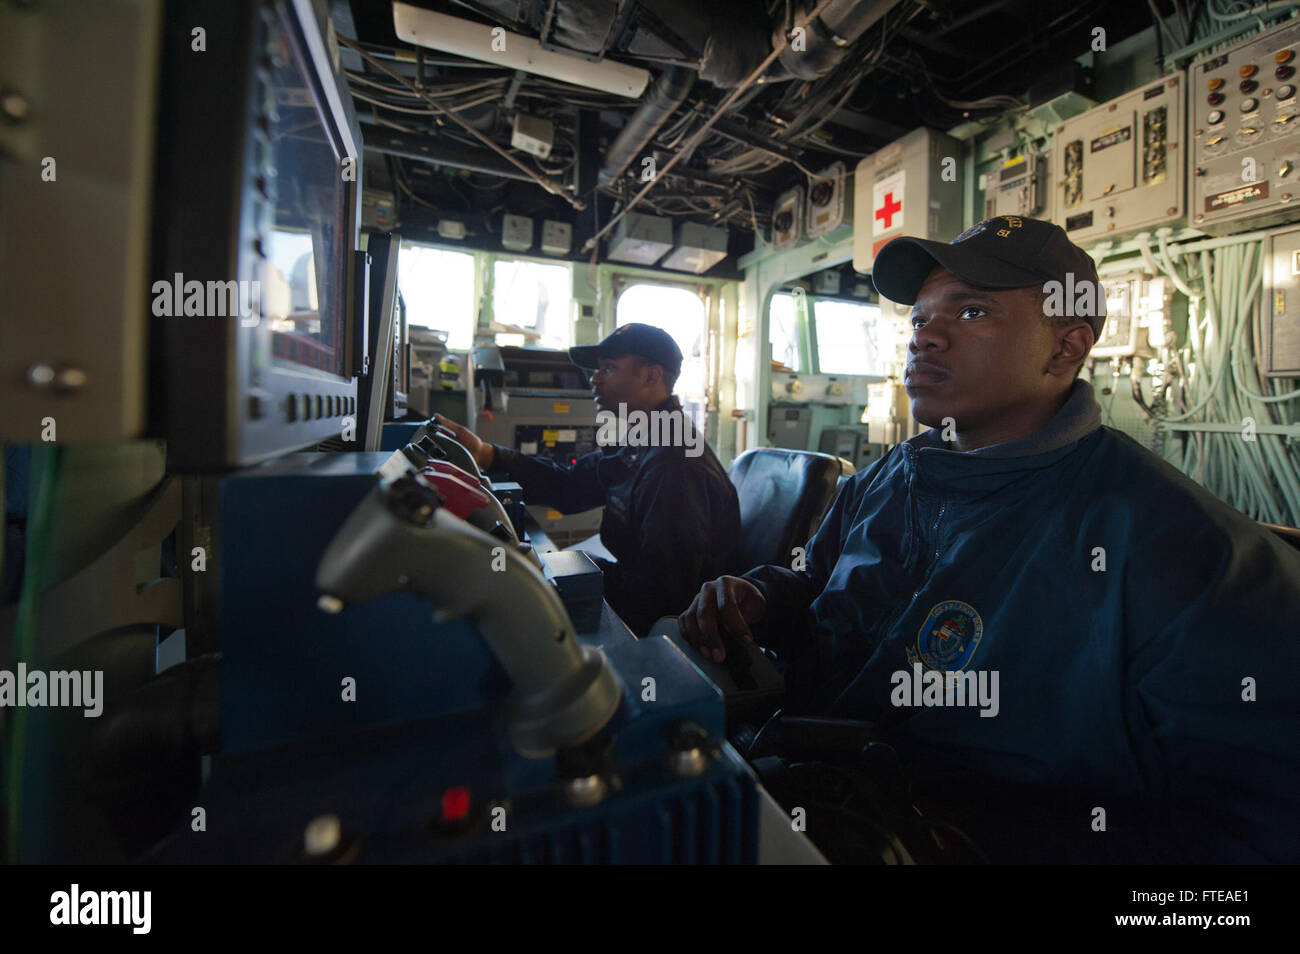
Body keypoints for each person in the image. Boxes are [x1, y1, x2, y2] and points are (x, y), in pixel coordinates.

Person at [678, 215, 1300, 863]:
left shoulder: (1185, 551)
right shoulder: (890, 476)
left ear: (1065, 348)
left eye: (971, 313)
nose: (927, 338)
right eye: (919, 320)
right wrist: (758, 595)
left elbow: (1258, 828)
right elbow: (816, 590)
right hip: (801, 792)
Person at [437, 323, 741, 637]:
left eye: (608, 368)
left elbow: (663, 595)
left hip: (673, 631)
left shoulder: (673, 462)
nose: (594, 378)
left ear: (652, 376)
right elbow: (570, 485)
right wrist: (486, 454)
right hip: (642, 596)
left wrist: (562, 580)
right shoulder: (643, 438)